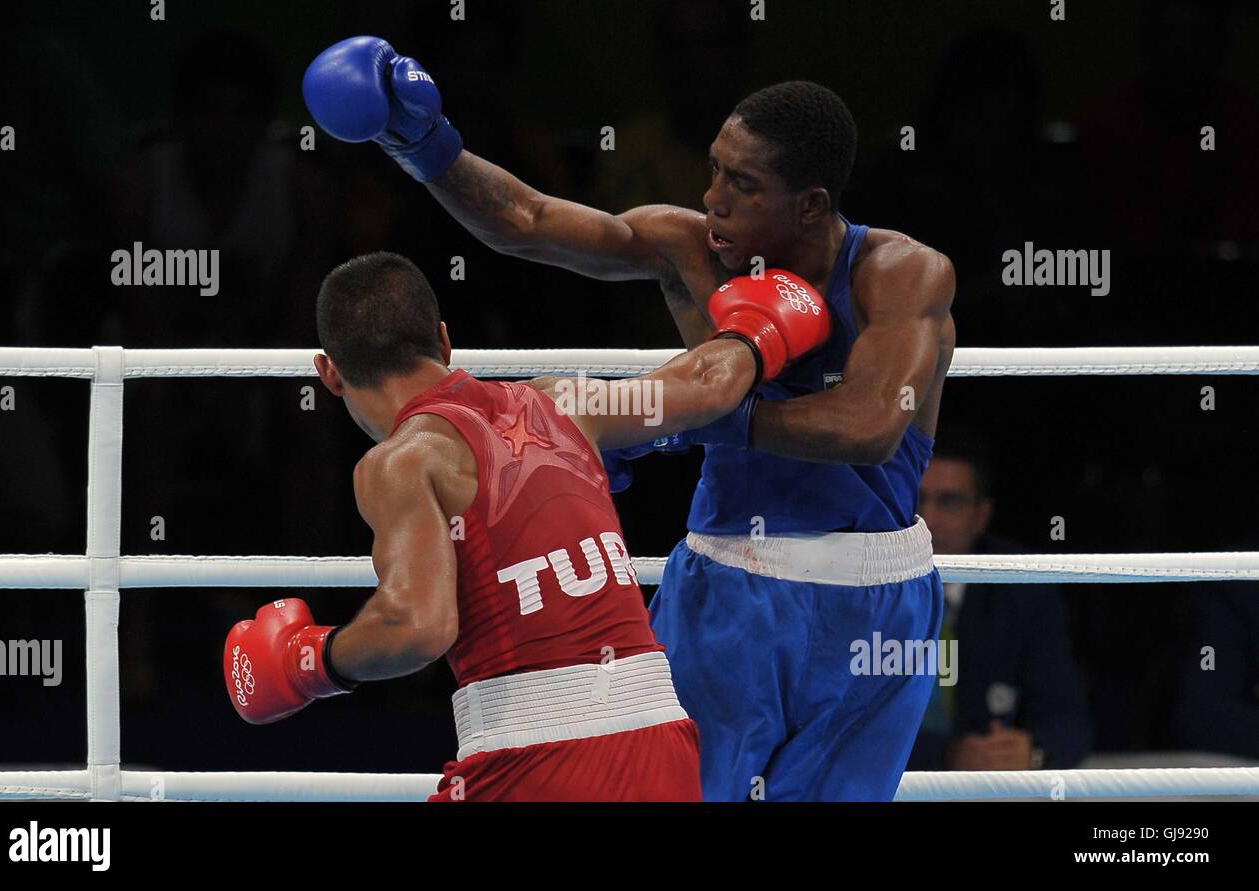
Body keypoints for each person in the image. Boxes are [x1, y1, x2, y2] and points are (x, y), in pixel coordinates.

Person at [302, 35, 956, 800]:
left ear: (810, 204)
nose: (713, 196)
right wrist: (423, 142)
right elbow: (527, 220)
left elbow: (872, 425)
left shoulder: (901, 272)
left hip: (880, 592)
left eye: (742, 184)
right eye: (714, 167)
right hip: (734, 581)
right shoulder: (690, 247)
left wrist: (677, 418)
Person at [222, 251, 833, 801]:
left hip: (532, 757)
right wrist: (763, 330)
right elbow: (705, 385)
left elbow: (418, 626)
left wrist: (311, 661)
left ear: (329, 372)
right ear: (444, 340)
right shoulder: (563, 402)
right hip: (663, 742)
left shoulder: (399, 461)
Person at [907, 433, 1091, 772]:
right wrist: (942, 756)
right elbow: (842, 718)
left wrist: (1032, 753)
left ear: (981, 515)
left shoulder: (1022, 584)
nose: (927, 519)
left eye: (949, 502)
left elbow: (1067, 717)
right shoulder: (863, 587)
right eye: (915, 500)